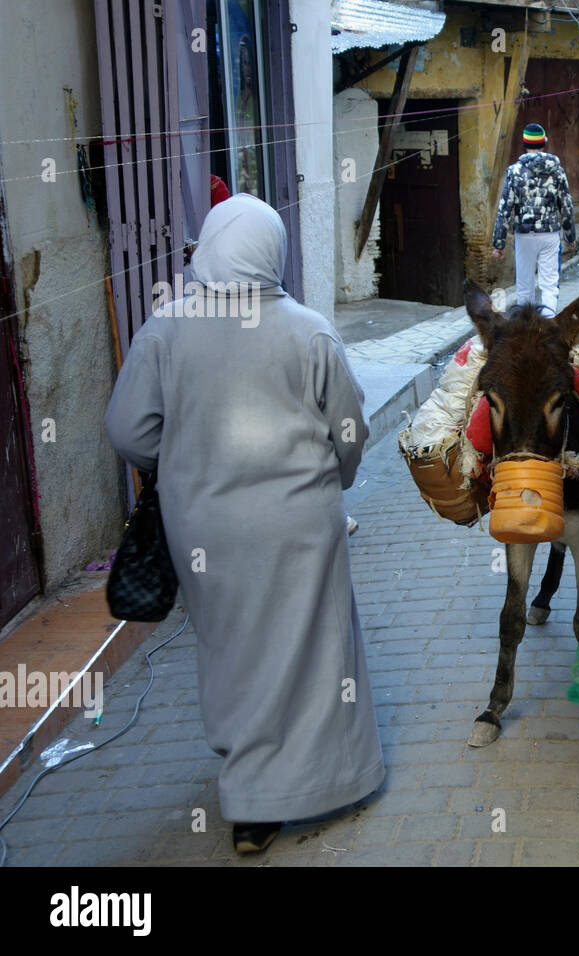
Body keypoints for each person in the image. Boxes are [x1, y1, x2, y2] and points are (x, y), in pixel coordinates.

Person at [105, 195, 384, 852]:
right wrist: (336, 479)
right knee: (315, 648)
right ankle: (330, 782)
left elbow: (127, 430)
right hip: (300, 525)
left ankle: (253, 804)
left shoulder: (165, 332)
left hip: (205, 530)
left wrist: (176, 468)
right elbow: (350, 430)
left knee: (231, 650)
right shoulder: (307, 328)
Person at [491, 123, 577, 318]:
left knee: (524, 287)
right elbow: (566, 206)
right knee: (549, 286)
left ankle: (525, 330)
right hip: (550, 235)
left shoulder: (514, 171)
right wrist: (570, 237)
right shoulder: (558, 171)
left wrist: (499, 243)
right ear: (544, 144)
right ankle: (547, 328)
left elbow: (505, 208)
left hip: (524, 236)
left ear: (524, 144)